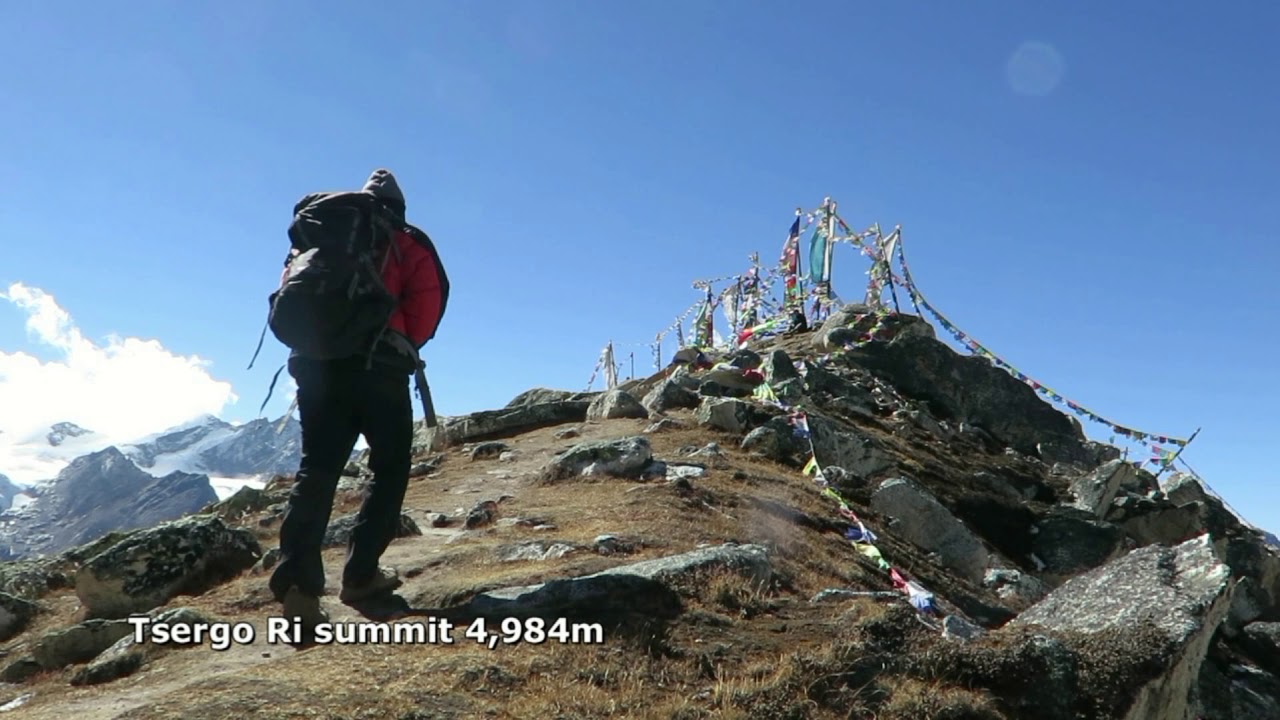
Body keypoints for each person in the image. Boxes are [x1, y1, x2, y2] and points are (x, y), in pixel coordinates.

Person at [267, 169, 448, 633]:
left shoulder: (318, 239)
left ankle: (299, 587)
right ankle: (361, 574)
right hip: (379, 368)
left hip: (315, 368)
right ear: (399, 207)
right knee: (388, 468)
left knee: (317, 471)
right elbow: (426, 316)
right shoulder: (406, 242)